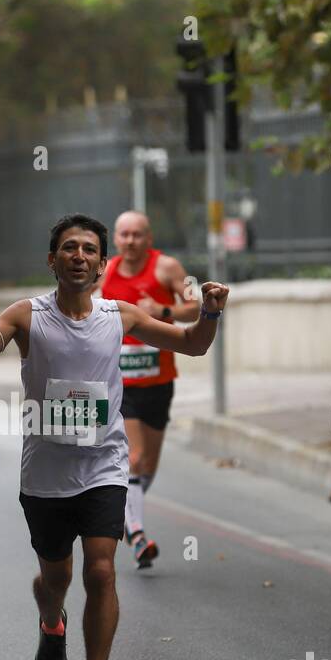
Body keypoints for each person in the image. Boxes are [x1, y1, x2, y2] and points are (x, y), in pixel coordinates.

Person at [0, 213, 228, 660]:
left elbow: (193, 343)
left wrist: (212, 312)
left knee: (102, 570)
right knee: (55, 577)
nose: (79, 256)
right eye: (69, 248)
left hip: (104, 466)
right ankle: (51, 623)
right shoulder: (26, 316)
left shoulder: (120, 316)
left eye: (89, 249)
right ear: (53, 260)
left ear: (102, 264)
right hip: (44, 474)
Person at [101, 211, 199, 570]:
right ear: (115, 238)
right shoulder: (106, 272)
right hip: (120, 383)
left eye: (137, 235)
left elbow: (197, 304)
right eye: (124, 234)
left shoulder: (169, 267)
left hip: (160, 380)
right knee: (136, 458)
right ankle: (138, 534)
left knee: (149, 465)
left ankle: (129, 515)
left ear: (149, 237)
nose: (130, 241)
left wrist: (164, 309)